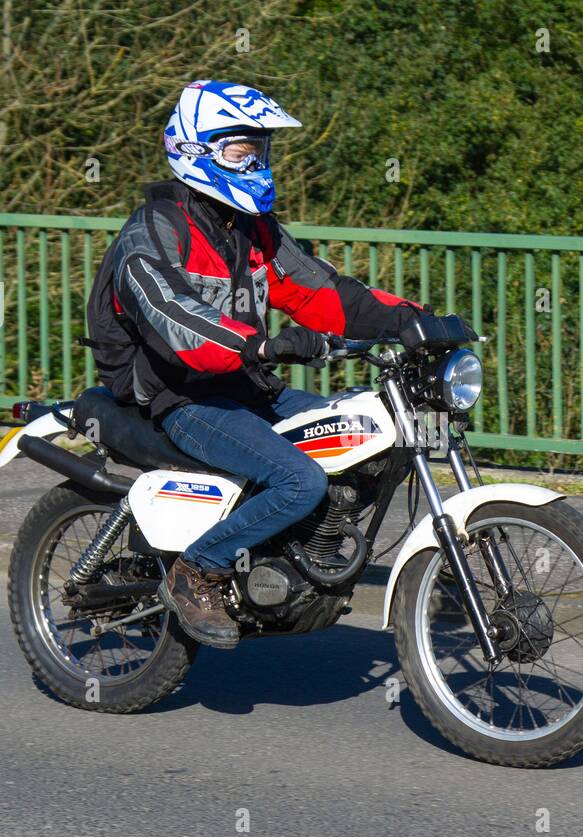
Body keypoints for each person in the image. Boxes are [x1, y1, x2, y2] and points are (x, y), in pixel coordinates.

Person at [93, 80, 432, 648]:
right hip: (182, 397)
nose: (254, 160)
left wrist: (418, 323)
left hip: (247, 387)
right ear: (195, 152)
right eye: (238, 150)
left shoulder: (251, 231)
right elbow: (176, 316)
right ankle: (197, 569)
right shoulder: (152, 232)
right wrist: (261, 345)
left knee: (369, 440)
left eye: (259, 149)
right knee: (299, 478)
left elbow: (323, 294)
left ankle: (286, 557)